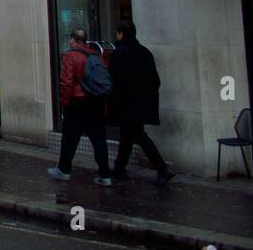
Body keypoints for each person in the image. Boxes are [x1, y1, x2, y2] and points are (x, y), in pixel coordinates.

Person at [110, 19, 174, 185]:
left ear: (121, 34)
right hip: (142, 103)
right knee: (128, 135)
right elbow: (155, 81)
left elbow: (114, 80)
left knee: (137, 135)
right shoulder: (145, 52)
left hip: (127, 103)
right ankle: (119, 168)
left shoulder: (120, 53)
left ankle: (162, 168)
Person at [49, 28, 113, 185]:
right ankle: (105, 174)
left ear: (72, 39)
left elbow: (66, 82)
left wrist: (65, 103)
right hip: (95, 102)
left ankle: (63, 169)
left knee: (69, 138)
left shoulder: (70, 56)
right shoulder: (96, 55)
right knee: (99, 139)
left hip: (77, 102)